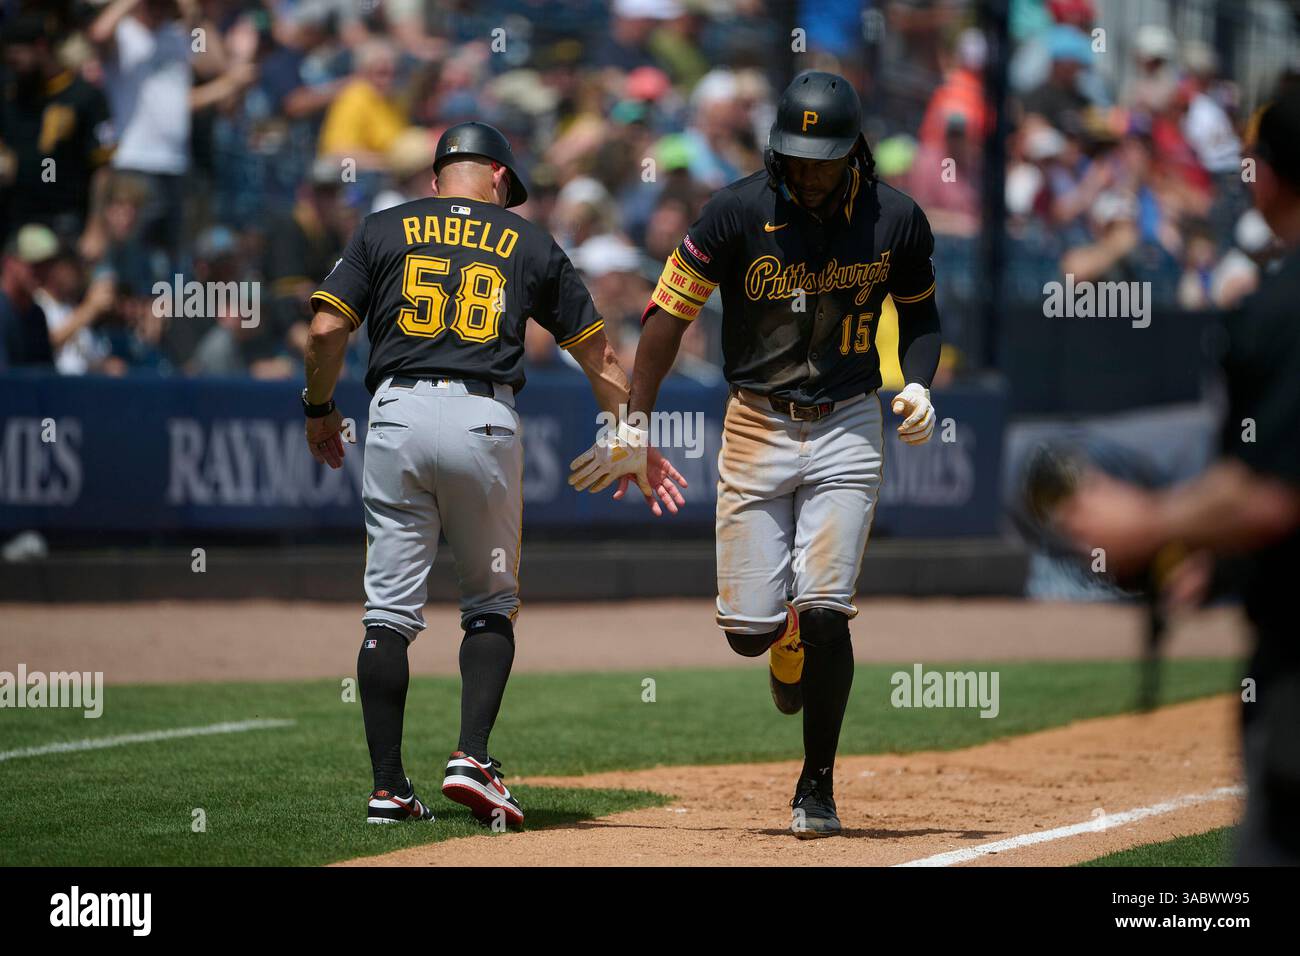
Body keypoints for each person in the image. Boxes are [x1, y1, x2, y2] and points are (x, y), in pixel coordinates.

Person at [569, 71, 942, 838]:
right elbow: (666, 315)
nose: (808, 172)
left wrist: (923, 384)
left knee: (830, 608)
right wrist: (635, 421)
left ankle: (817, 787)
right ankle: (783, 641)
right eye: (796, 156)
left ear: (855, 154)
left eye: (823, 158)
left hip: (847, 422)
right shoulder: (735, 210)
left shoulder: (896, 219)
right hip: (755, 421)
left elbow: (922, 316)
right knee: (747, 632)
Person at [304, 121, 686, 827]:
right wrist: (629, 434)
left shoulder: (383, 227)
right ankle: (470, 757)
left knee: (388, 612)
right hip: (484, 420)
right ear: (502, 180)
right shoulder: (529, 241)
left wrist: (319, 408)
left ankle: (388, 788)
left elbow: (327, 329)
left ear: (436, 178)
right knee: (489, 601)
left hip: (394, 417)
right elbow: (600, 359)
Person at [1060, 86, 1300, 865]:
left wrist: (1154, 523)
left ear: (1264, 176)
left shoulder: (1280, 308)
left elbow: (1270, 495)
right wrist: (1217, 552)